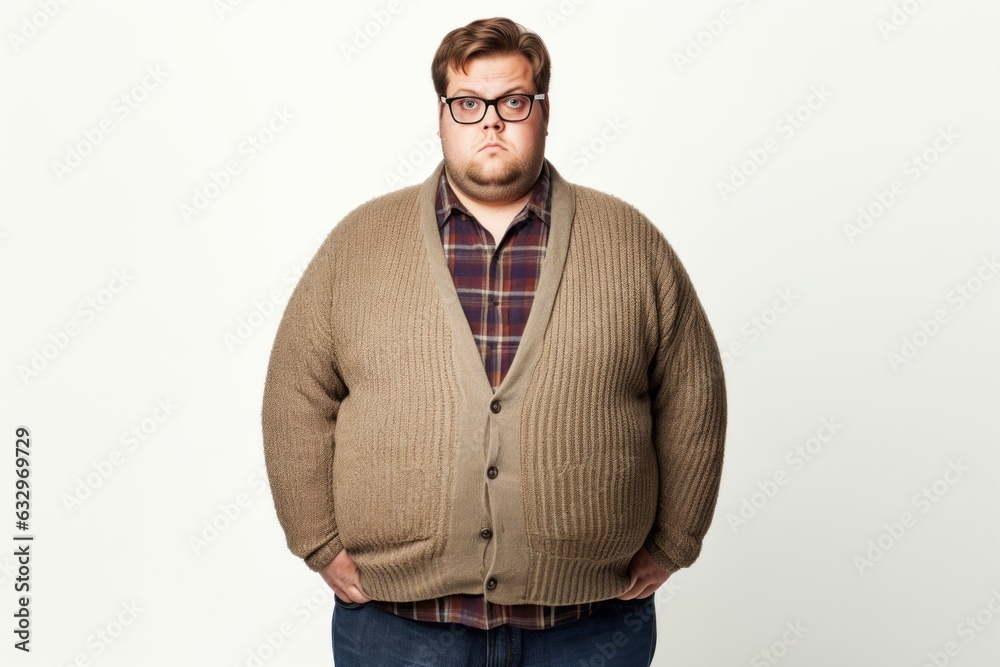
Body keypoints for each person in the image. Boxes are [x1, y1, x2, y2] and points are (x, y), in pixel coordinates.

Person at [261, 16, 727, 666]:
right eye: (468, 103)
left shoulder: (630, 243)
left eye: (512, 101)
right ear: (442, 115)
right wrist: (317, 540)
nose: (491, 121)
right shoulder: (359, 244)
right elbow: (295, 393)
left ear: (543, 110)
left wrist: (675, 539)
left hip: (586, 628)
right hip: (401, 628)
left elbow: (693, 398)